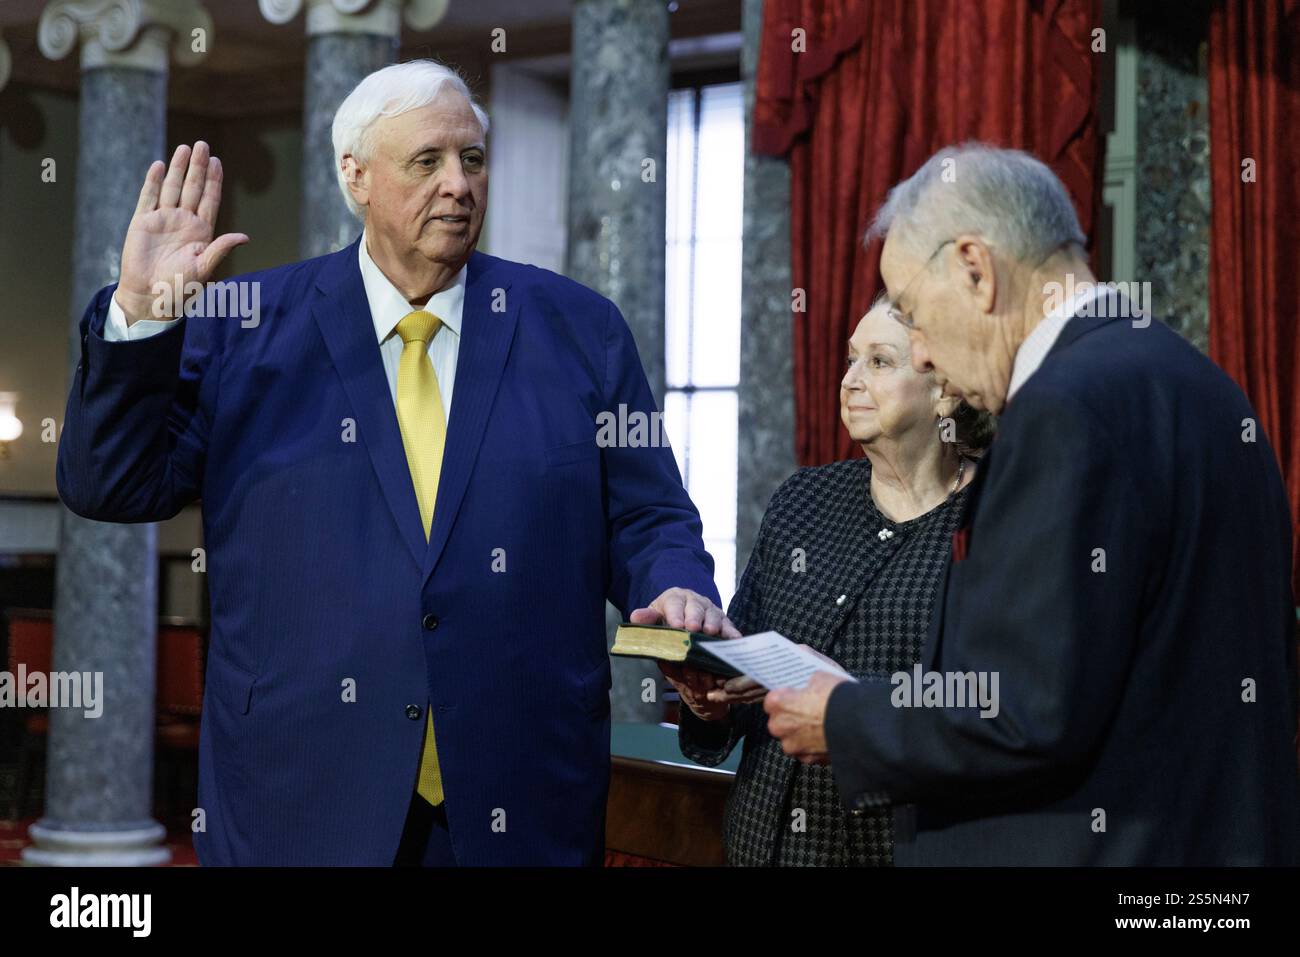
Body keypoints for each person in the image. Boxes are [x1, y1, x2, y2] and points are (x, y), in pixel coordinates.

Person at [56, 59, 731, 866]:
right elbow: (109, 483)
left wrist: (678, 586)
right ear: (357, 176)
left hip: (520, 794)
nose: (459, 184)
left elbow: (648, 515)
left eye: (473, 159)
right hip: (298, 796)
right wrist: (140, 315)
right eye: (428, 162)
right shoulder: (245, 328)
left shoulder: (580, 328)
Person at [764, 142, 1300, 865]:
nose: (920, 351)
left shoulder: (1060, 411)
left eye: (915, 313)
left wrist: (845, 716)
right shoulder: (1212, 390)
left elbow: (1023, 707)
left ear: (976, 271)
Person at [663, 295, 992, 865]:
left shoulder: (997, 523)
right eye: (849, 359)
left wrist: (854, 709)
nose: (850, 380)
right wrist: (709, 699)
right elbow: (746, 678)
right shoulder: (804, 500)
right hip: (761, 849)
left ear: (946, 387)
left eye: (880, 362)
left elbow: (996, 717)